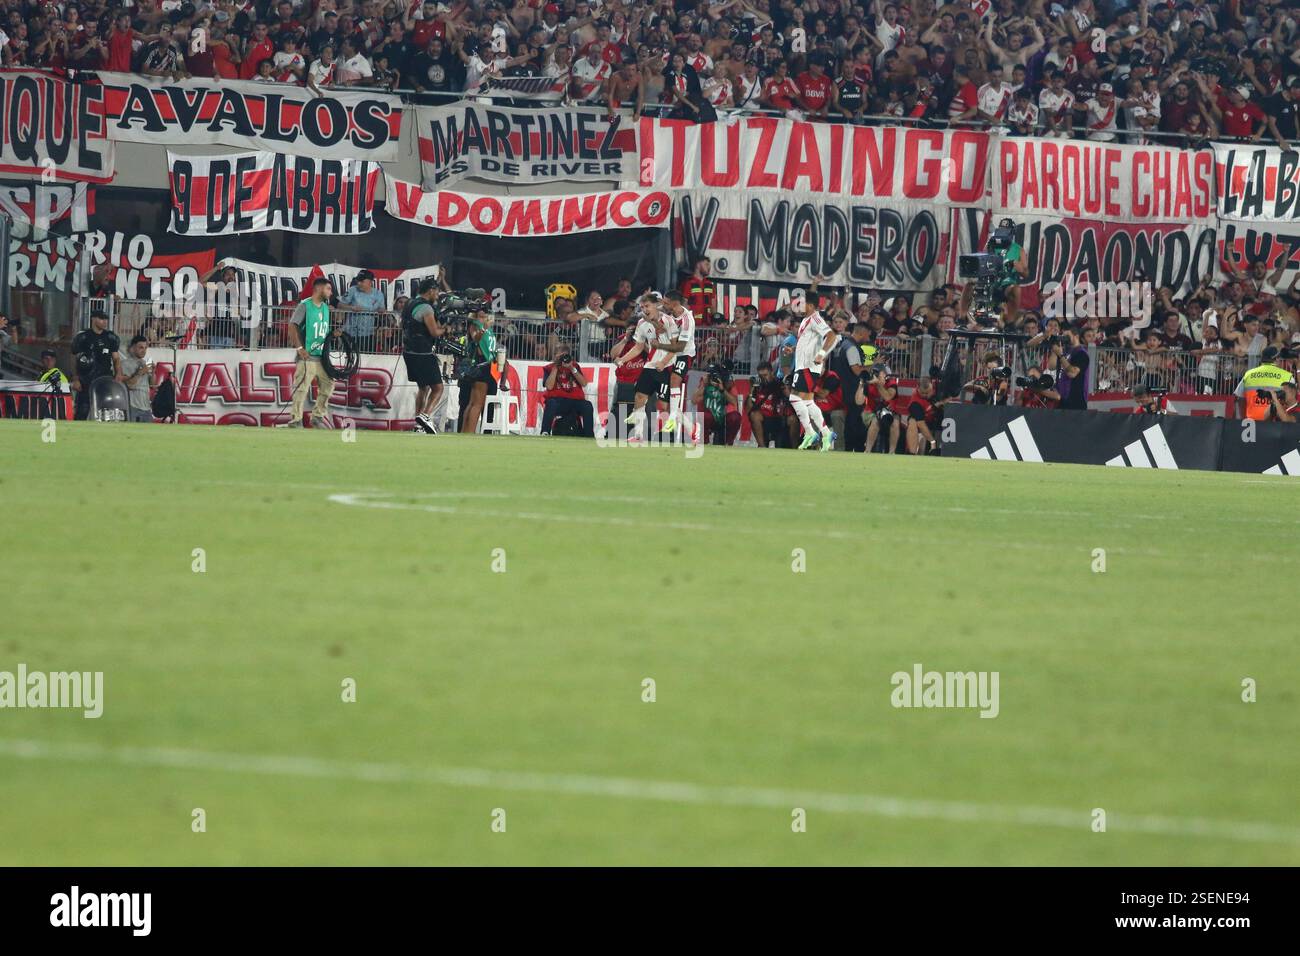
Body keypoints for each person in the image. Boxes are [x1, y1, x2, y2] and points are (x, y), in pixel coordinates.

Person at [282, 278, 335, 429]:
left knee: (329, 385)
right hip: (307, 356)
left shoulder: (325, 307)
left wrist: (333, 334)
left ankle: (317, 417)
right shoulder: (305, 305)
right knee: (301, 388)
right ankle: (295, 419)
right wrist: (299, 348)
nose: (330, 292)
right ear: (318, 289)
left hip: (321, 357)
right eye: (328, 289)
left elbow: (323, 330)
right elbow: (292, 326)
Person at [789, 300, 838, 451]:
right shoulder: (805, 320)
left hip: (808, 366)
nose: (799, 308)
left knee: (794, 398)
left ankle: (811, 433)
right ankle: (825, 433)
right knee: (808, 402)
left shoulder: (816, 318)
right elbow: (807, 342)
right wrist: (793, 349)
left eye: (801, 305)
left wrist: (821, 354)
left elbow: (831, 336)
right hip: (802, 365)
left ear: (810, 305)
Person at [401, 278, 446, 435]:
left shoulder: (409, 304)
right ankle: (425, 416)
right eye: (437, 291)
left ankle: (418, 424)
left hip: (408, 351)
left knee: (423, 387)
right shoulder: (426, 308)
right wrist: (445, 329)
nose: (438, 295)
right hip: (423, 352)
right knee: (438, 388)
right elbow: (434, 332)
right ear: (431, 291)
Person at [71, 310, 122, 421]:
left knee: (105, 409)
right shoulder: (83, 337)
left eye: (105, 319)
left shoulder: (110, 338)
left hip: (105, 378)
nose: (105, 322)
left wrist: (118, 373)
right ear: (93, 319)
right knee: (82, 410)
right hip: (85, 379)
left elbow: (116, 358)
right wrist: (75, 379)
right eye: (101, 319)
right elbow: (75, 359)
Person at [657, 290, 696, 434]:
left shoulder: (687, 321)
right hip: (667, 354)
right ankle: (692, 429)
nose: (664, 305)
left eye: (666, 303)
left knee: (675, 379)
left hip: (683, 354)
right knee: (664, 403)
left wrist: (660, 345)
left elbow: (680, 346)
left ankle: (672, 417)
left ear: (675, 303)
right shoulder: (667, 312)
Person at [458, 310, 501, 434]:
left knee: (473, 403)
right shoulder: (476, 325)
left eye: (485, 316)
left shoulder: (488, 329)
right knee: (476, 404)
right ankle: (469, 432)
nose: (485, 318)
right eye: (482, 316)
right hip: (482, 364)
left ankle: (465, 432)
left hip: (488, 365)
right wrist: (483, 329)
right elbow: (476, 339)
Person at [539, 352, 595, 437]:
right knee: (551, 403)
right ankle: (545, 432)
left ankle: (589, 435)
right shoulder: (549, 368)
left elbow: (584, 383)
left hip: (575, 401)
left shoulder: (575, 366)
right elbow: (549, 386)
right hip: (558, 401)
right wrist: (556, 368)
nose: (563, 360)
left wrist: (571, 368)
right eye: (561, 357)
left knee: (587, 405)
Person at [1235, 345, 1296, 421]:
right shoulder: (1287, 376)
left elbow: (1239, 398)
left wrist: (1243, 418)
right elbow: (1293, 401)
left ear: (1262, 359)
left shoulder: (1248, 374)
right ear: (1276, 359)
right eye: (1279, 359)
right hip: (1276, 425)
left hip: (1251, 424)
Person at [338, 270, 386, 350]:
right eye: (358, 281)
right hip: (350, 332)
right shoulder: (352, 290)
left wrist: (382, 311)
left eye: (362, 281)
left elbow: (382, 309)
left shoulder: (378, 294)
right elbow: (340, 305)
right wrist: (352, 308)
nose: (359, 283)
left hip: (368, 333)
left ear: (370, 282)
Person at [117, 335, 156, 423]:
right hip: (132, 407)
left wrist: (153, 372)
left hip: (146, 408)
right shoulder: (125, 364)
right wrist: (141, 372)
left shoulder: (146, 364)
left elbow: (153, 385)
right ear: (133, 348)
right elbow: (130, 385)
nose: (144, 350)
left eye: (145, 348)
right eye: (141, 347)